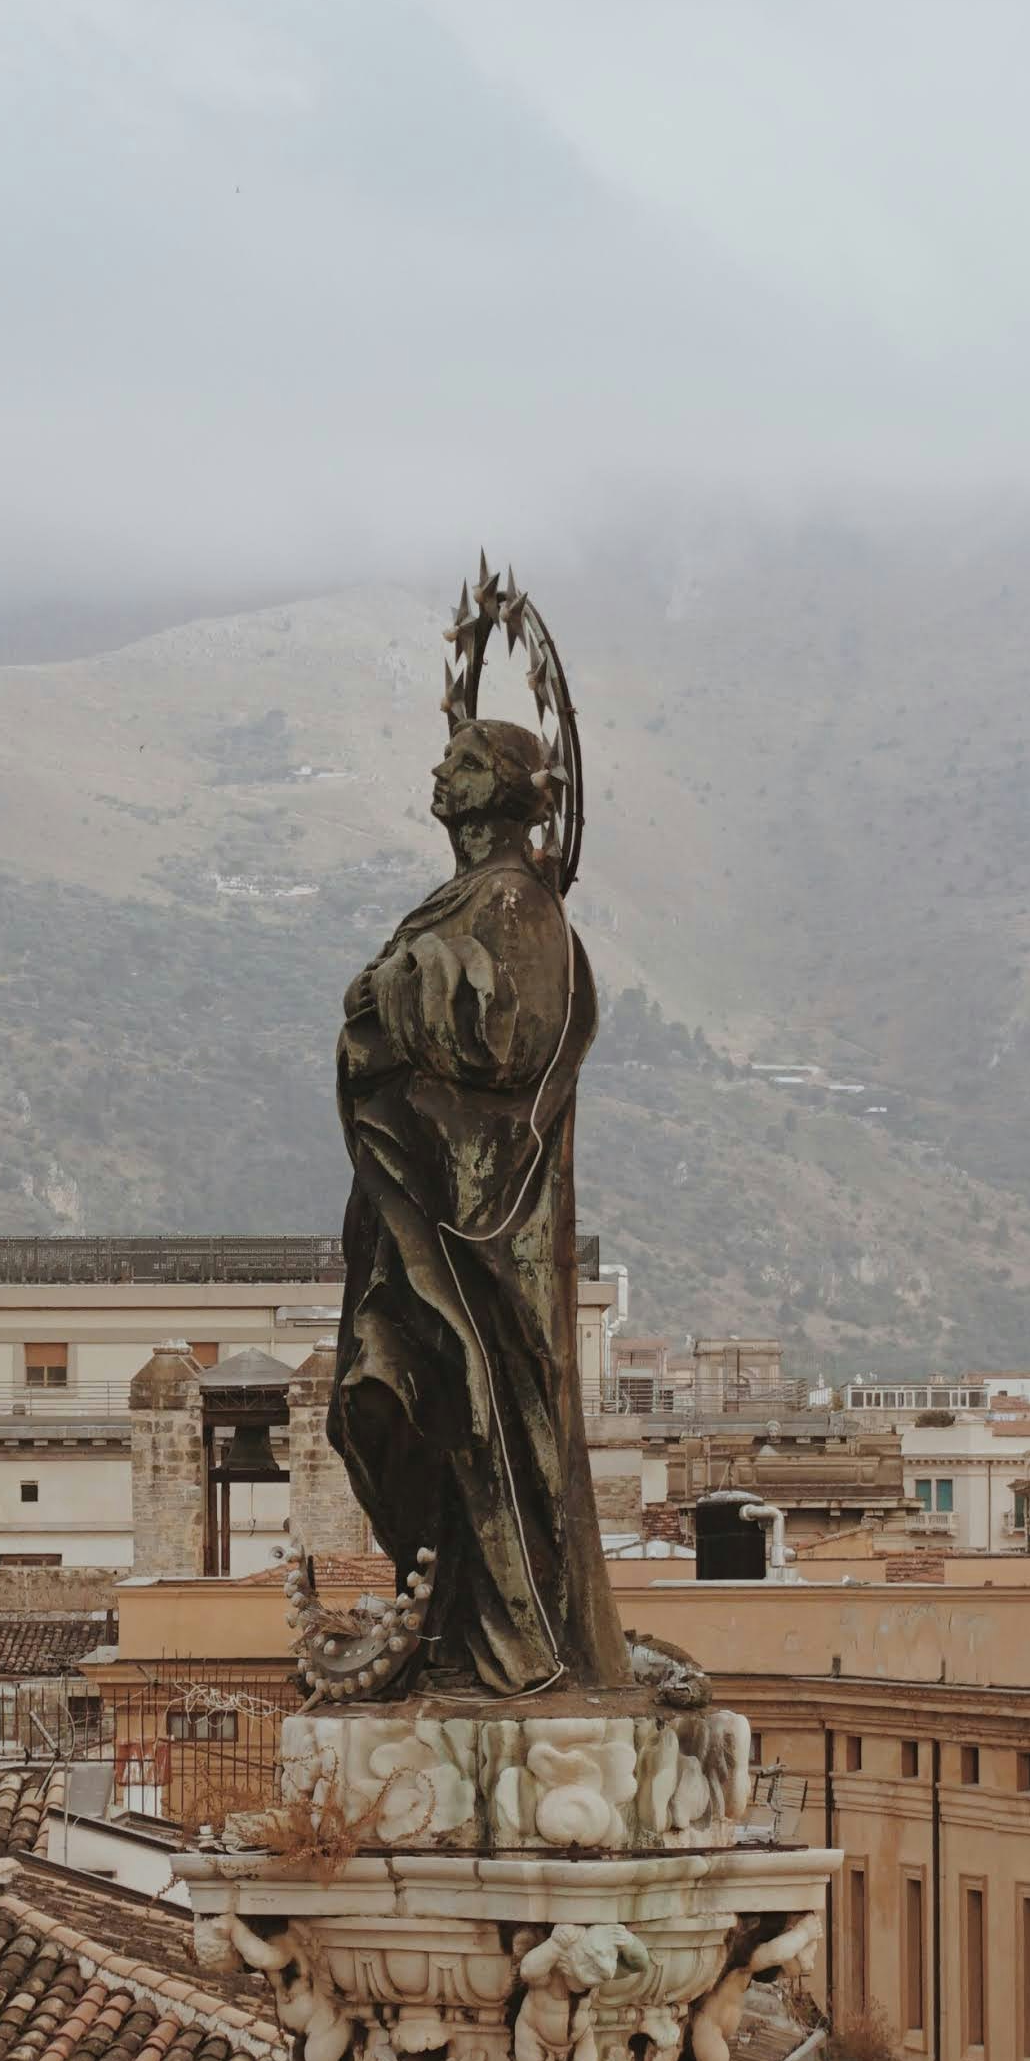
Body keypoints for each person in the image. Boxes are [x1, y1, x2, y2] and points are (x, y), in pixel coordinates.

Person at [329, 708, 630, 1701]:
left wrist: (393, 988)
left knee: (460, 1406)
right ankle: (453, 1616)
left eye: (459, 761)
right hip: (419, 1206)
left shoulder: (513, 904)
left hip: (479, 1219)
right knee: (376, 1406)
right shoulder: (462, 901)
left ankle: (506, 1635)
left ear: (504, 784)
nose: (438, 770)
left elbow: (505, 1043)